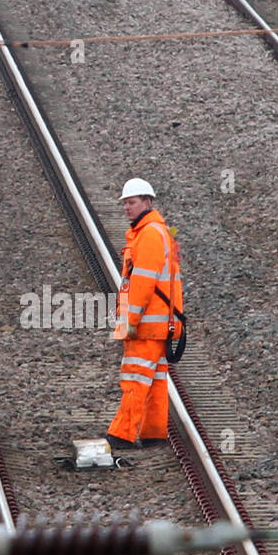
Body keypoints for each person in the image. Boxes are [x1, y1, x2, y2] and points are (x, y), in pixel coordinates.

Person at [106, 178, 183, 450]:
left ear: (147, 202)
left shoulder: (149, 234)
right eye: (125, 203)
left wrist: (128, 321)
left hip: (146, 325)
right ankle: (153, 433)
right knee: (156, 379)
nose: (127, 207)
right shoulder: (156, 232)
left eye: (132, 202)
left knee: (135, 378)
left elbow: (141, 283)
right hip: (158, 323)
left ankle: (122, 434)